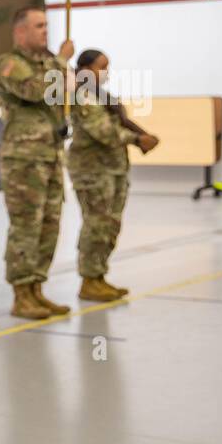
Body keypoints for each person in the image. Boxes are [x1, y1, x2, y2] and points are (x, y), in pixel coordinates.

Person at [0, 7, 73, 320]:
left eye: (47, 26)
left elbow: (66, 93)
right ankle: (21, 293)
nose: (45, 31)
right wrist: (62, 63)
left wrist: (61, 66)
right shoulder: (8, 63)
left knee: (49, 225)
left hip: (51, 154)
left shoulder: (49, 62)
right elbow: (36, 91)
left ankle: (37, 288)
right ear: (20, 32)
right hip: (24, 159)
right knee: (26, 226)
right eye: (39, 26)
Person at [67, 50, 158, 301]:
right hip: (91, 170)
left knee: (110, 224)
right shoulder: (80, 95)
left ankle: (99, 276)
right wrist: (138, 139)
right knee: (96, 224)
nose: (106, 72)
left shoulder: (103, 96)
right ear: (84, 69)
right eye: (101, 67)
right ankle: (88, 280)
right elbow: (105, 132)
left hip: (113, 168)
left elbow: (118, 123)